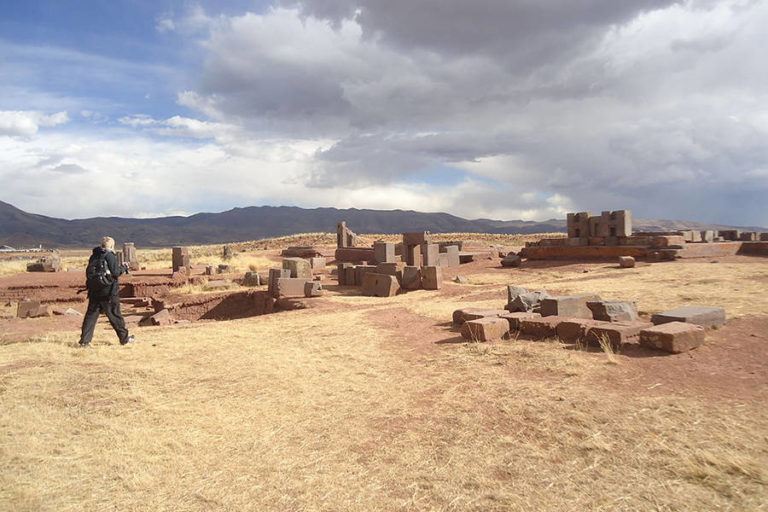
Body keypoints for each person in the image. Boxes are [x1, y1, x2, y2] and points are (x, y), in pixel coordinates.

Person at [78, 236, 135, 347]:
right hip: (108, 292)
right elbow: (115, 272)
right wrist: (123, 268)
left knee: (91, 316)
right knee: (115, 315)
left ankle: (85, 341)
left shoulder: (94, 255)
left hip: (94, 290)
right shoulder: (109, 255)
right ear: (112, 246)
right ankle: (125, 339)